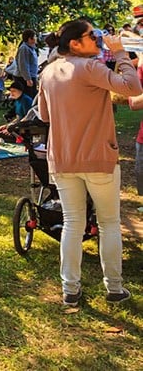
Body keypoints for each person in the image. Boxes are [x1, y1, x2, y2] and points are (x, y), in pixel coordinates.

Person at [38, 20, 140, 305]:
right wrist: (120, 54)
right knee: (108, 223)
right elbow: (133, 87)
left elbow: (45, 116)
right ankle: (114, 288)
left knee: (73, 223)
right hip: (98, 157)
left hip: (63, 158)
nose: (97, 40)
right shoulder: (91, 68)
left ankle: (70, 289)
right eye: (91, 36)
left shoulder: (48, 72)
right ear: (75, 43)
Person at [15, 29, 39, 98]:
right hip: (23, 78)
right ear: (29, 39)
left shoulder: (31, 48)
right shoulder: (24, 48)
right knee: (28, 97)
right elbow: (23, 65)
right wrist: (28, 79)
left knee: (32, 96)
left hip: (31, 76)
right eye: (35, 37)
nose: (36, 38)